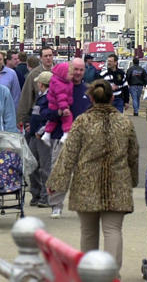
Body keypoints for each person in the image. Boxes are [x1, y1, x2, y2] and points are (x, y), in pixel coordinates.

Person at [47, 79, 139, 275]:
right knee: (113, 230)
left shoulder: (82, 121)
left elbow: (68, 154)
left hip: (86, 183)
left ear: (90, 98)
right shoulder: (124, 122)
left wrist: (56, 182)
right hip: (117, 183)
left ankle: (88, 274)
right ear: (112, 98)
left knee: (88, 232)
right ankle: (112, 274)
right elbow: (133, 154)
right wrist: (133, 179)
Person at [47, 57, 90, 219]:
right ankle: (56, 205)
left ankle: (83, 204)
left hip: (84, 139)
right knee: (59, 171)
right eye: (75, 69)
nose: (78, 73)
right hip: (61, 136)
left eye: (81, 70)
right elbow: (47, 111)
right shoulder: (56, 85)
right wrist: (58, 113)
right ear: (69, 69)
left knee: (84, 173)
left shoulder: (88, 90)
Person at [28, 71, 55, 208]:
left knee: (45, 167)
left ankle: (45, 196)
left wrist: (41, 131)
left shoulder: (49, 98)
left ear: (42, 84)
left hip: (42, 137)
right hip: (35, 135)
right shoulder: (42, 97)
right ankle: (37, 194)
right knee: (33, 165)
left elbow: (50, 118)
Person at [18, 46, 55, 125]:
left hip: (55, 116)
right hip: (39, 117)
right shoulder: (34, 74)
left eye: (50, 55)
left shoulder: (59, 71)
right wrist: (21, 119)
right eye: (45, 56)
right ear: (41, 58)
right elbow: (26, 97)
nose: (48, 58)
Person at [42, 62, 73, 144]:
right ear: (63, 74)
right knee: (68, 118)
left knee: (53, 120)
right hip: (59, 106)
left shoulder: (55, 81)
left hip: (53, 104)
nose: (72, 76)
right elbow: (61, 97)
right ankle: (66, 134)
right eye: (70, 74)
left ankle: (47, 133)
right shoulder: (61, 85)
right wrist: (64, 108)